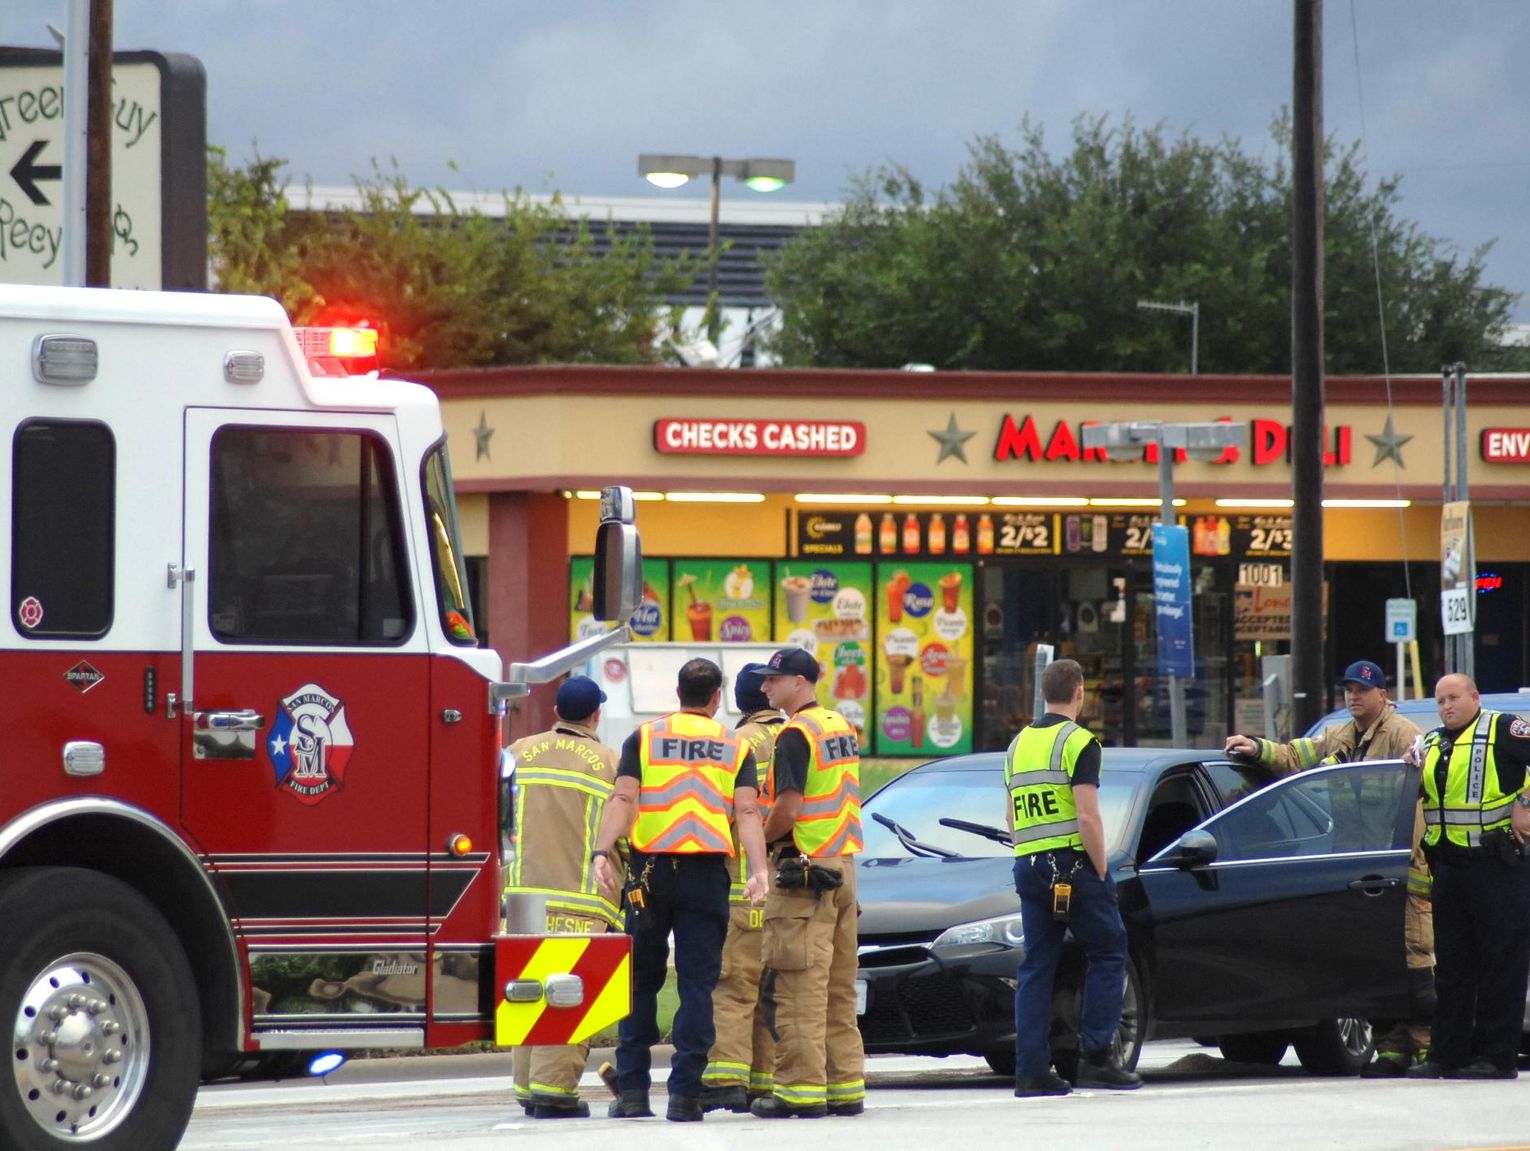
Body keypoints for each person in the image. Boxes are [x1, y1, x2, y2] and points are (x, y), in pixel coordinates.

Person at [1224, 659, 1434, 1076]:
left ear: (1382, 694)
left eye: (1361, 690)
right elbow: (1296, 756)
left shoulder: (1404, 736)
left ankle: (1429, 1047)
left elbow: (1423, 797)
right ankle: (1391, 1048)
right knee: (1374, 963)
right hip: (1360, 877)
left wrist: (1404, 859)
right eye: (1348, 690)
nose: (1353, 696)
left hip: (1402, 873)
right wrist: (1256, 746)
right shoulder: (1340, 735)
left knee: (1414, 961)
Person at [591, 658, 770, 1122]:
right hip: (707, 874)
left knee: (641, 983)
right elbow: (748, 813)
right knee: (697, 985)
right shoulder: (733, 744)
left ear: (677, 692)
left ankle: (632, 1093)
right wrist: (759, 869)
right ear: (716, 698)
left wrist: (600, 851)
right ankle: (685, 1096)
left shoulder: (645, 737)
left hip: (650, 875)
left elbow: (624, 798)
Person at [1008, 658, 1141, 1097]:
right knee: (1108, 950)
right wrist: (1101, 871)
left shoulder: (1018, 744)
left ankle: (1030, 1070)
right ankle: (1099, 1055)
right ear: (1080, 692)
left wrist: (1028, 855)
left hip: (1028, 864)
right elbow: (1088, 816)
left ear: (1044, 692)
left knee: (1036, 966)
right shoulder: (1080, 742)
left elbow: (1011, 816)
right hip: (1071, 866)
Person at [749, 646, 866, 1120]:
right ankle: (844, 1086)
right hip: (842, 869)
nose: (765, 687)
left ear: (800, 682)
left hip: (804, 875)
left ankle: (799, 1089)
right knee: (838, 986)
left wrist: (756, 839)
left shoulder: (795, 735)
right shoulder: (839, 725)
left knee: (798, 985)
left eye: (773, 680)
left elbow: (789, 809)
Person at [503, 676, 621, 1118]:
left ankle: (526, 1085)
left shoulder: (517, 753)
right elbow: (623, 831)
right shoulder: (609, 762)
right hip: (581, 898)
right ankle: (553, 1090)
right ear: (596, 715)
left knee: (526, 988)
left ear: (555, 712)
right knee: (569, 990)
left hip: (520, 896)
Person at [1405, 673, 1530, 1081]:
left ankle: (1497, 1057)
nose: (1446, 706)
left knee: (1501, 964)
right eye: (1440, 700)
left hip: (1496, 865)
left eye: (1454, 697)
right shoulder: (1431, 743)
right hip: (1450, 870)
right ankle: (1448, 1054)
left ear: (1475, 696)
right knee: (1453, 969)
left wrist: (1525, 803)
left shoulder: (1504, 728)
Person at [701, 668, 787, 1113]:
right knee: (774, 986)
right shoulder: (800, 734)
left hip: (740, 882)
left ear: (738, 702)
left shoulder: (734, 745)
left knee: (733, 985)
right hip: (790, 886)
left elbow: (722, 811)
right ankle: (765, 1080)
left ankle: (725, 1079)